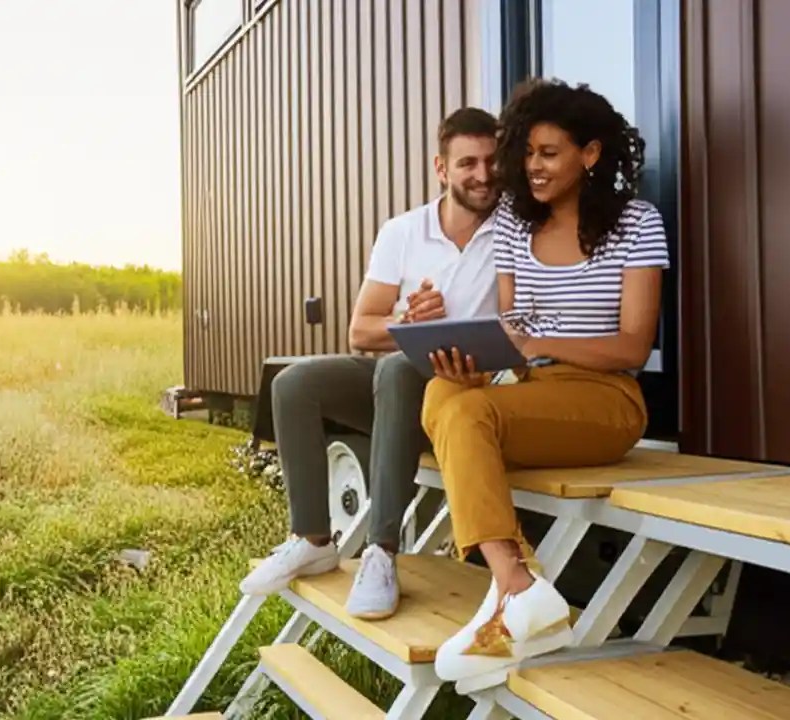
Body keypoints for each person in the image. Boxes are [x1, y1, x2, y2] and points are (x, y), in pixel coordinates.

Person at [422, 80, 669, 683]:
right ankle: (515, 579)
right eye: (527, 152)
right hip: (533, 389)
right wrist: (480, 363)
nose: (532, 166)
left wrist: (539, 345)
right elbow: (512, 331)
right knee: (443, 392)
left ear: (589, 154)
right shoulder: (512, 223)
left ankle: (514, 590)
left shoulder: (637, 222)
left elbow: (633, 346)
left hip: (607, 401)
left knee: (465, 415)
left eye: (549, 153)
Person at [239, 107, 503, 621]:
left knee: (397, 369)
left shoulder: (513, 233)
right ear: (441, 169)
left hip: (470, 390)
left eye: (492, 161)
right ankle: (312, 538)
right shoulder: (403, 231)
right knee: (294, 384)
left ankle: (380, 552)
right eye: (468, 162)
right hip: (401, 384)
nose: (483, 174)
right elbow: (361, 330)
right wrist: (408, 317)